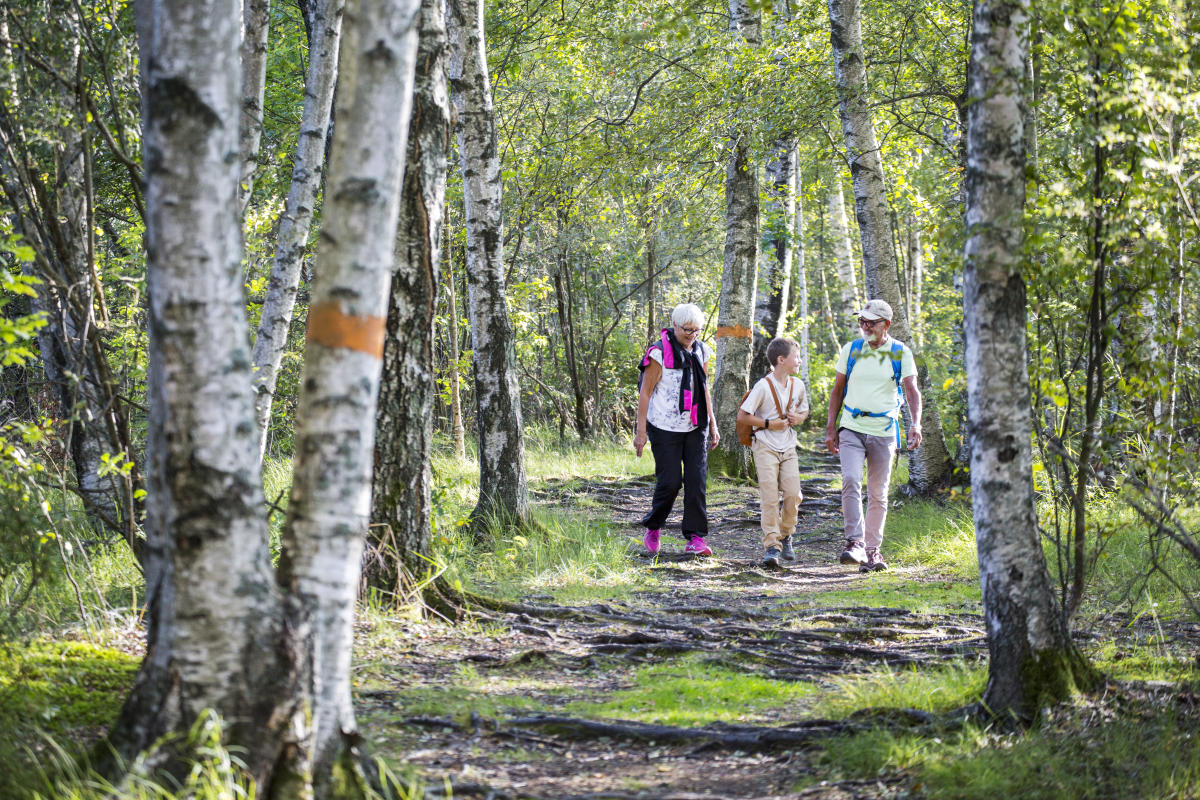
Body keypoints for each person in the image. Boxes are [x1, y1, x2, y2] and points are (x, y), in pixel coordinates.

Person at [824, 299, 922, 572]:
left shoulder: (900, 353)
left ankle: (872, 551)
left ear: (886, 325)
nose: (864, 326)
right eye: (861, 322)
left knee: (878, 493)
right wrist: (831, 427)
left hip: (884, 430)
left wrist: (916, 424)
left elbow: (912, 391)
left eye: (870, 322)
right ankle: (854, 542)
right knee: (851, 479)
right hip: (852, 426)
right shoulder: (852, 349)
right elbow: (837, 390)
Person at [634, 303, 720, 557]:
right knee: (670, 483)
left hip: (695, 426)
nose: (692, 335)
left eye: (697, 330)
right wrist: (640, 434)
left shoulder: (702, 351)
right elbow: (645, 394)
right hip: (663, 428)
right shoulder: (659, 354)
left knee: (696, 481)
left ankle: (695, 538)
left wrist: (713, 425)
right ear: (674, 325)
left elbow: (704, 389)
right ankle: (653, 526)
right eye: (687, 330)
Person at [737, 337, 809, 569]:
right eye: (796, 357)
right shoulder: (763, 386)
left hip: (788, 446)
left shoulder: (797, 385)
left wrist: (798, 418)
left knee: (793, 494)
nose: (799, 361)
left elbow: (804, 410)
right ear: (781, 360)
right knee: (769, 496)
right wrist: (769, 424)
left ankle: (786, 535)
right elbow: (743, 416)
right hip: (765, 445)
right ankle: (771, 546)